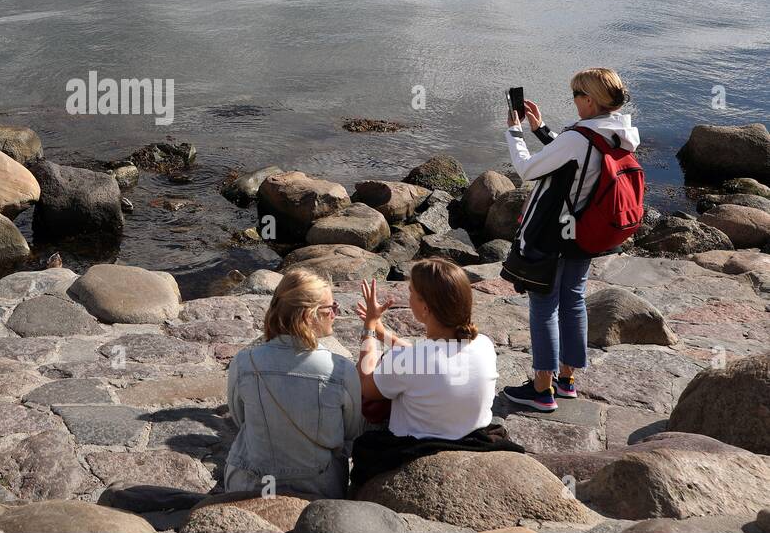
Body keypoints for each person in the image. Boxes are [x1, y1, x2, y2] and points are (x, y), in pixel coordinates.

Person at [500, 68, 640, 412]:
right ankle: (566, 380)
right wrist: (542, 130)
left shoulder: (579, 136)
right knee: (573, 300)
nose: (574, 101)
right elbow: (579, 163)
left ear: (589, 100)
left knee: (544, 305)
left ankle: (542, 390)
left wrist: (514, 131)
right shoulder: (619, 133)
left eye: (576, 95)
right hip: (587, 231)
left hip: (555, 231)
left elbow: (528, 169)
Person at [352, 259, 512, 488]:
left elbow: (366, 383)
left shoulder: (412, 360)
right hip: (474, 437)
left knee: (369, 400)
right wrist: (383, 334)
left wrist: (368, 329)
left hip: (414, 445)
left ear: (425, 307)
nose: (408, 298)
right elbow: (430, 360)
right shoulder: (484, 345)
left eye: (411, 292)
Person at [224, 271, 364, 498]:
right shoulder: (340, 369)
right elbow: (351, 430)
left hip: (250, 484)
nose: (336, 314)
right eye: (331, 308)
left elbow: (240, 419)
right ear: (310, 316)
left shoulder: (244, 362)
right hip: (319, 485)